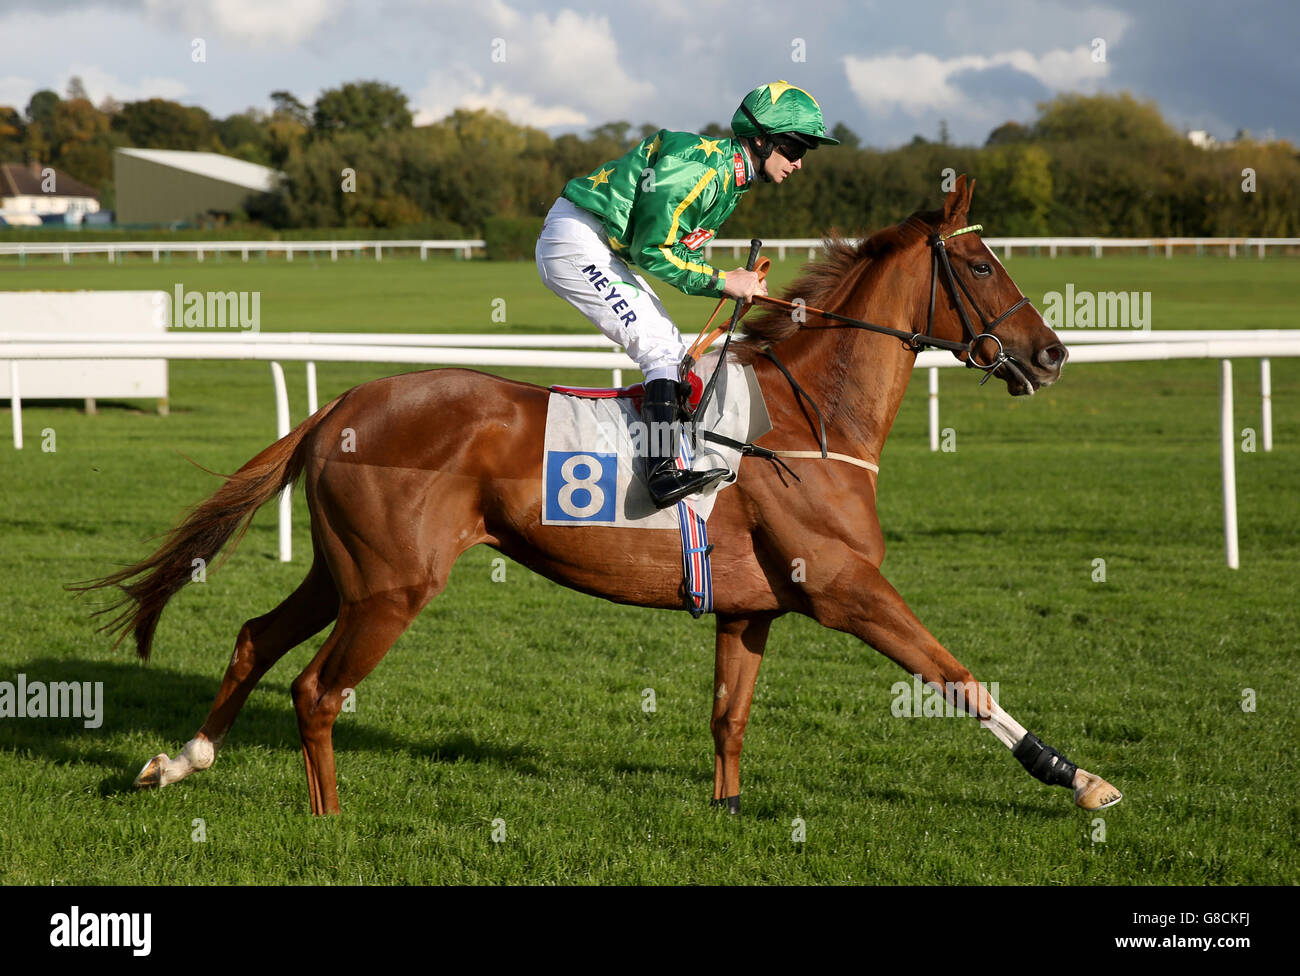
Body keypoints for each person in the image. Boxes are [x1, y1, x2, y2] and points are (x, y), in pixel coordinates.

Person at [536, 80, 838, 508]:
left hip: (594, 242)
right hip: (577, 240)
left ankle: (668, 458)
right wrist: (724, 281)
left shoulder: (730, 175)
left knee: (672, 353)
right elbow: (651, 249)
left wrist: (735, 279)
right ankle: (660, 474)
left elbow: (672, 246)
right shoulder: (704, 169)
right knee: (660, 349)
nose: (800, 163)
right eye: (796, 148)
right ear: (761, 139)